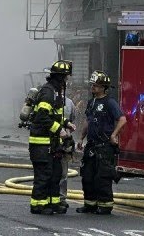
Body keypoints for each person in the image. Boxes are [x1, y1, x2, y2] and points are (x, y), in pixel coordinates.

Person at [28, 60, 74, 215]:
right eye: (66, 77)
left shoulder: (56, 92)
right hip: (41, 144)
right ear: (60, 77)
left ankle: (53, 203)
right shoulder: (48, 92)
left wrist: (66, 123)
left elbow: (54, 115)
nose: (67, 80)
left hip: (52, 143)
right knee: (43, 176)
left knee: (55, 174)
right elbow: (41, 116)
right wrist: (59, 129)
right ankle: (38, 205)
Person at [78, 71, 125, 215]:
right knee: (87, 176)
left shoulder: (110, 103)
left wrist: (114, 135)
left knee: (102, 177)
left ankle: (105, 206)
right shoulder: (91, 102)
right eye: (92, 85)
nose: (93, 87)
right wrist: (81, 138)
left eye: (96, 85)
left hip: (104, 147)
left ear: (104, 87)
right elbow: (87, 121)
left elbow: (122, 119)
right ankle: (90, 204)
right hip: (91, 146)